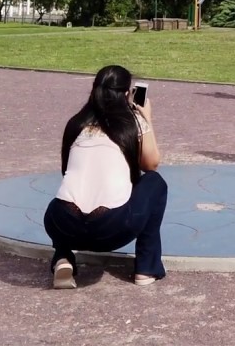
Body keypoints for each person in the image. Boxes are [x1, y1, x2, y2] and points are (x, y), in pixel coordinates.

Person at [42, 65, 166, 289]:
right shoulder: (133, 122)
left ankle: (62, 258)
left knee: (61, 200)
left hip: (63, 224)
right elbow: (151, 164)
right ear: (127, 94)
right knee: (155, 183)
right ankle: (146, 269)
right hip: (111, 229)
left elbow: (65, 170)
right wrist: (146, 119)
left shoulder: (76, 123)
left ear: (94, 89)